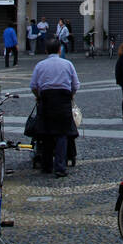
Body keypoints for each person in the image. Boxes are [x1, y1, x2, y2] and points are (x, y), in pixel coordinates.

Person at [31, 38, 80, 178]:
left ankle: (46, 166)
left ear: (46, 50)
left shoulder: (40, 65)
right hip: (63, 100)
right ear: (60, 50)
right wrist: (70, 95)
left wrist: (39, 96)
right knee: (62, 134)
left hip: (46, 100)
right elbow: (75, 85)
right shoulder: (67, 64)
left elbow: (33, 86)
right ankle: (60, 167)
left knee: (46, 133)